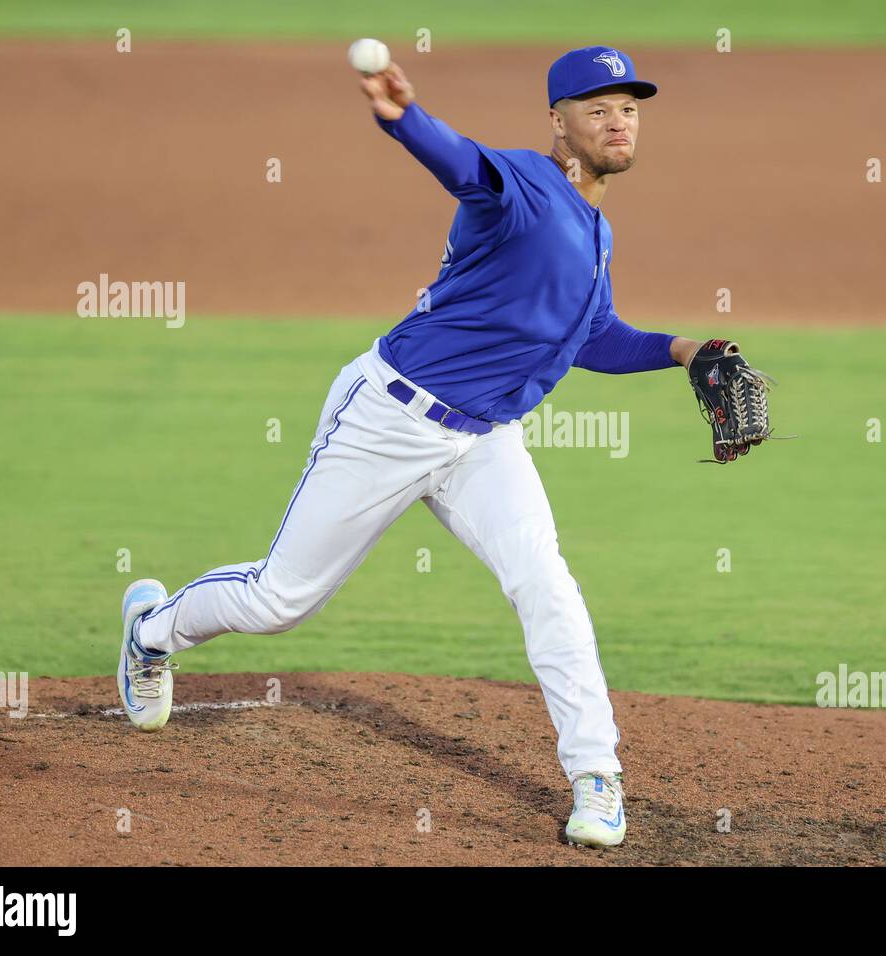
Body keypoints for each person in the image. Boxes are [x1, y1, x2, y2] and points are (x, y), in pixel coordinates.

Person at [118, 45, 715, 850]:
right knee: (280, 601)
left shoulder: (596, 228)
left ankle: (596, 775)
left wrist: (683, 349)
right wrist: (402, 116)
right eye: (598, 107)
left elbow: (593, 336)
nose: (618, 121)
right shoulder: (522, 186)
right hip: (391, 420)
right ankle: (152, 630)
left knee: (546, 584)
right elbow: (459, 162)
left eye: (630, 108)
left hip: (485, 441)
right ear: (559, 121)